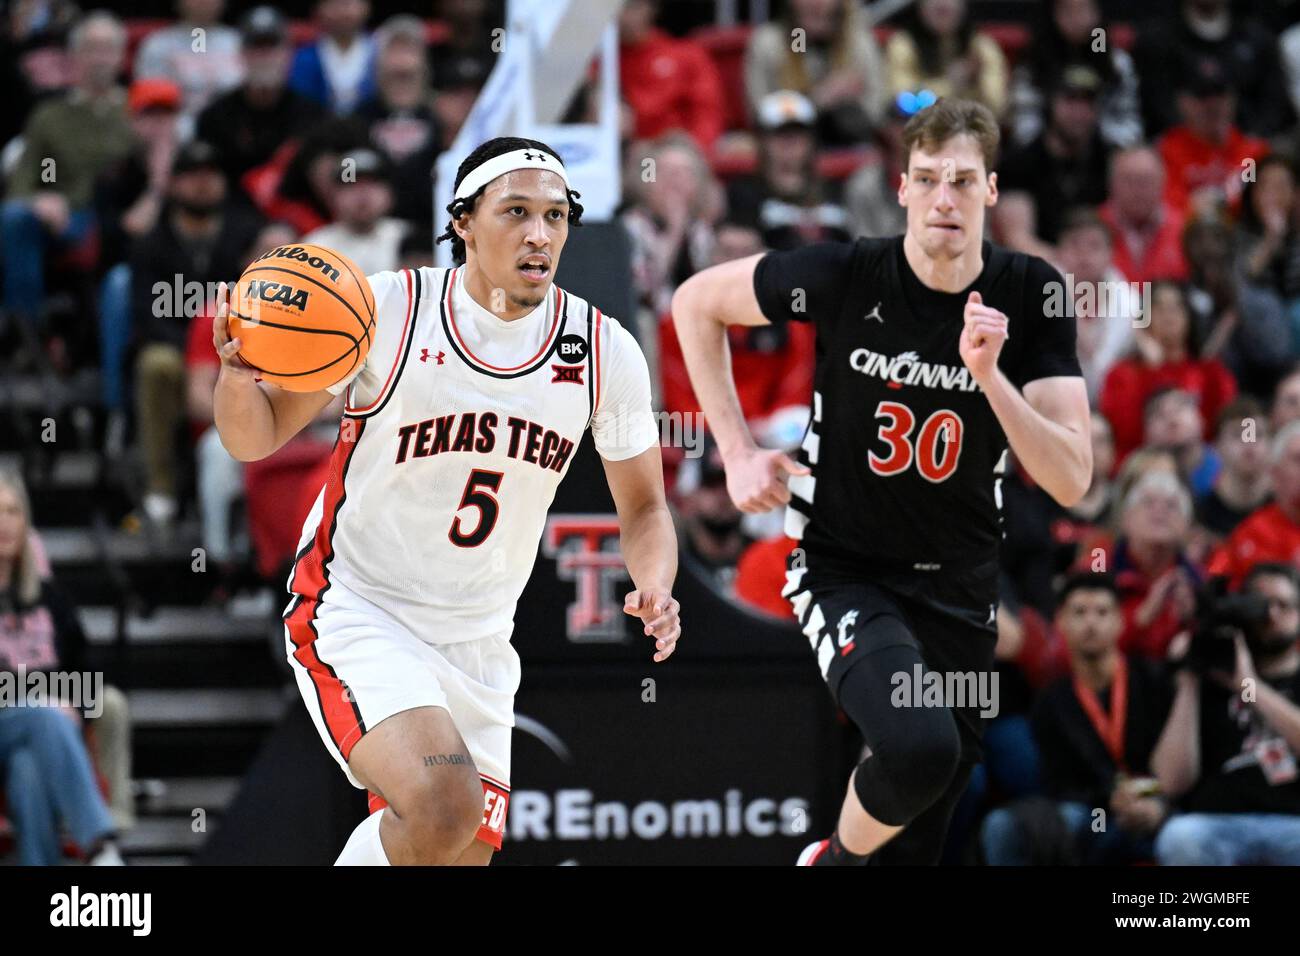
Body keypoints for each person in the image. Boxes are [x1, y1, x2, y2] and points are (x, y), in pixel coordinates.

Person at [211, 137, 680, 865]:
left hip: (483, 641)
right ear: (462, 221)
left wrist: (655, 580)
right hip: (359, 609)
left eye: (556, 217)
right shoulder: (387, 310)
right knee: (441, 801)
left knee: (449, 847)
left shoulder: (603, 349)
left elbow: (645, 505)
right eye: (516, 211)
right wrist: (240, 380)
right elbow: (257, 437)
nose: (539, 234)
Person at [672, 98, 1092, 865]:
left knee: (922, 825)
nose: (944, 199)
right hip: (847, 568)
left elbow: (1071, 478)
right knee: (920, 744)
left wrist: (993, 381)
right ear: (900, 187)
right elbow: (695, 302)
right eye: (928, 179)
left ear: (992, 191)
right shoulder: (846, 272)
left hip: (961, 587)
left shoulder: (1034, 294)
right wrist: (734, 452)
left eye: (964, 182)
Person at [981, 572, 1172, 865]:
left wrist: (1158, 804)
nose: (1091, 623)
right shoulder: (1051, 700)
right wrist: (1108, 797)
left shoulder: (1155, 681)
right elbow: (1056, 783)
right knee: (1006, 826)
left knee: (1183, 832)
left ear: (1120, 621)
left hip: (1161, 807)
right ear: (1061, 622)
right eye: (1079, 612)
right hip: (1094, 812)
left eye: (1102, 612)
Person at [0, 470, 125, 866]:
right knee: (43, 716)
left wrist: (48, 697)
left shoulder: (51, 599)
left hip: (29, 740)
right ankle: (101, 846)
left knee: (28, 771)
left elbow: (88, 676)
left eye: (13, 511)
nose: (4, 523)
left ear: (25, 523)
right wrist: (45, 698)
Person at [1152, 562, 1300, 865]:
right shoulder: (1212, 677)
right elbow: (1170, 782)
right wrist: (1191, 679)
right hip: (1219, 824)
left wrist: (1248, 686)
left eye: (1283, 605)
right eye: (1260, 605)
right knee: (1179, 837)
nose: (1271, 615)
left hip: (1294, 824)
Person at [744, 0, 886, 147]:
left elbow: (877, 114)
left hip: (851, 148)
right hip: (786, 152)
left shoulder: (858, 44)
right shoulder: (768, 44)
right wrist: (818, 99)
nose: (815, 4)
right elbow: (760, 117)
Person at [133, 0, 244, 135]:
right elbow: (151, 106)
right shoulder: (157, 45)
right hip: (175, 134)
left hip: (233, 131)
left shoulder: (240, 42)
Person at [301, 148, 407, 275]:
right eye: (352, 185)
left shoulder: (408, 237)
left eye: (372, 183)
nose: (362, 194)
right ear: (333, 195)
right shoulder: (315, 247)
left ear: (389, 193)